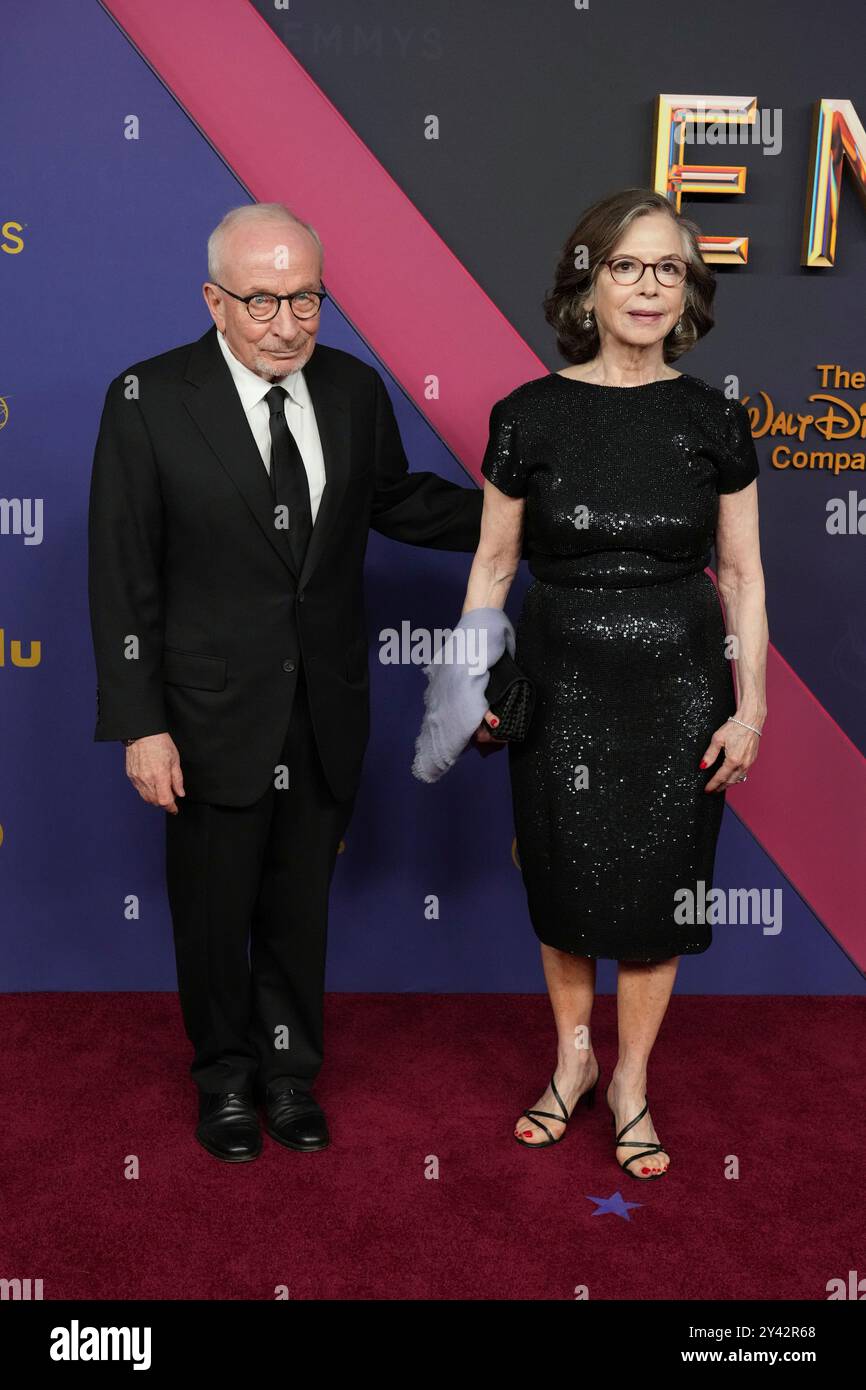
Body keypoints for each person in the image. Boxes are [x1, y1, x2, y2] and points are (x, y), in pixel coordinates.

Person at [88, 202, 483, 1162]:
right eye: (262, 300)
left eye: (306, 298)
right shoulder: (147, 398)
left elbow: (398, 502)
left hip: (322, 709)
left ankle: (289, 1076)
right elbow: (122, 571)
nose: (287, 322)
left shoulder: (351, 389)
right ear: (215, 301)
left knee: (299, 913)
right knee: (217, 917)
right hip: (207, 715)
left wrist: (528, 514)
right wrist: (142, 725)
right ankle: (224, 1081)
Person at [440, 188, 767, 1179]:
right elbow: (493, 567)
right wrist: (468, 685)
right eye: (627, 265)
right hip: (559, 684)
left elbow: (743, 574)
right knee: (568, 885)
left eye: (667, 268)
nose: (647, 286)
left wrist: (750, 706)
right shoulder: (527, 415)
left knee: (656, 898)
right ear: (588, 277)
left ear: (688, 290)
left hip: (678, 693)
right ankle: (570, 1063)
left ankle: (630, 1082)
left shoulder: (712, 418)